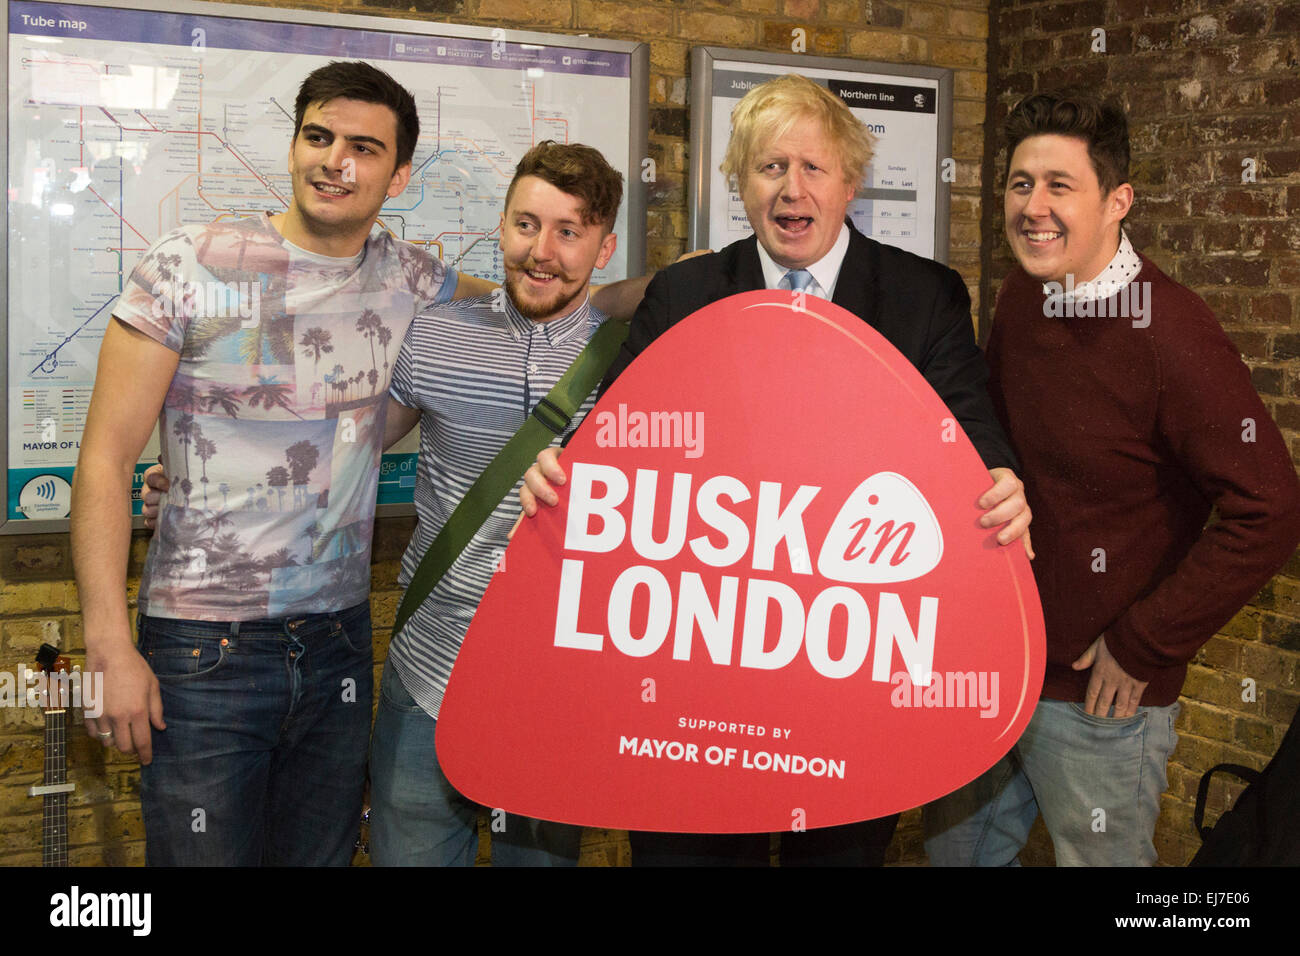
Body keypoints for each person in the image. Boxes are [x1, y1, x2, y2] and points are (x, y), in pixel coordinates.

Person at [72, 61, 642, 865]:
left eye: (363, 147)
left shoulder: (411, 277)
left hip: (337, 642)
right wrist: (106, 643)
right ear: (296, 144)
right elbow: (101, 461)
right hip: (202, 650)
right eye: (318, 136)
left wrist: (668, 292)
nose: (334, 160)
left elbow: (537, 291)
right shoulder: (188, 263)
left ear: (399, 173)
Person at [519, 73, 1032, 866]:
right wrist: (564, 475)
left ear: (850, 183)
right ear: (741, 183)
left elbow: (970, 434)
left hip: (845, 676)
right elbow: (618, 440)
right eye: (768, 168)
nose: (791, 189)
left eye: (812, 168)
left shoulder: (922, 296)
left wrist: (999, 483)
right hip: (695, 684)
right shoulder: (685, 293)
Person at [923, 91, 1300, 866]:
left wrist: (1145, 642)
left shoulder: (1173, 333)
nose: (1034, 207)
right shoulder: (1026, 297)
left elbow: (1271, 506)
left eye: (1061, 185)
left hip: (1100, 697)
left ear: (1118, 200)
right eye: (1021, 183)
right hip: (995, 662)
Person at [366, 141, 625, 866]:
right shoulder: (434, 333)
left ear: (603, 250)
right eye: (524, 225)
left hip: (559, 688)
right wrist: (202, 469)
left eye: (569, 233)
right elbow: (344, 453)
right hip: (429, 669)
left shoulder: (634, 360)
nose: (540, 253)